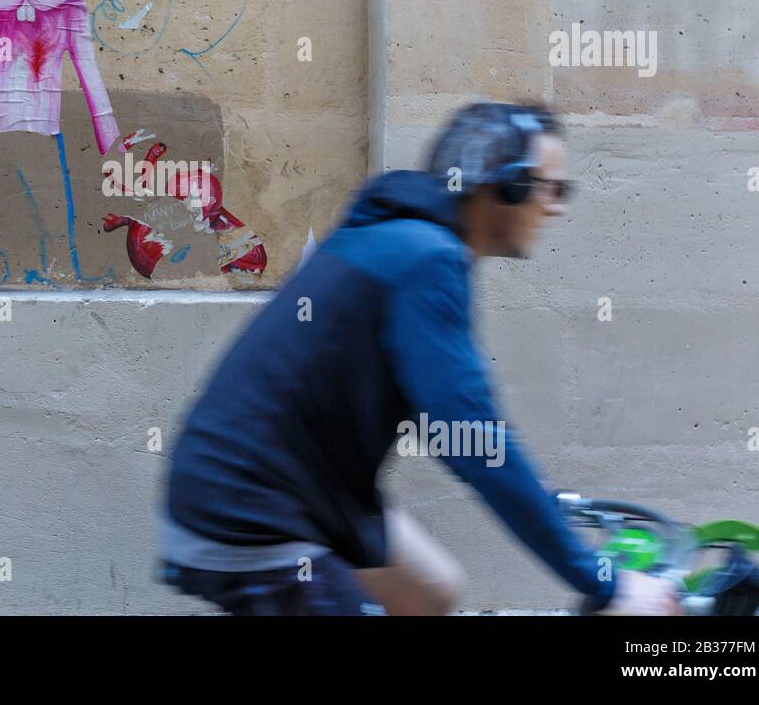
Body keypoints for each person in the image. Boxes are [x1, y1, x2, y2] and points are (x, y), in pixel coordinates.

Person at [158, 102, 678, 615]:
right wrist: (605, 584)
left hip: (298, 488)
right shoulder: (427, 259)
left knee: (433, 589)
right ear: (504, 187)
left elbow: (461, 428)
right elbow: (472, 440)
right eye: (550, 188)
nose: (557, 206)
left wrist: (528, 490)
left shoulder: (400, 238)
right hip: (250, 511)